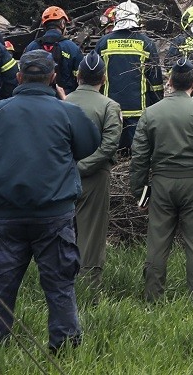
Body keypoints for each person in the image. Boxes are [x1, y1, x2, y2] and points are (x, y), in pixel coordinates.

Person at [0, 50, 101, 356]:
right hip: (55, 217)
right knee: (60, 287)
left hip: (9, 217)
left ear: (18, 77)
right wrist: (64, 106)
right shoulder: (66, 112)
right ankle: (65, 350)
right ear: (52, 78)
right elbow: (90, 144)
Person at [129, 61, 193, 305]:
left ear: (170, 82)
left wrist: (140, 192)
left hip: (162, 183)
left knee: (158, 242)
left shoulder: (151, 113)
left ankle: (152, 299)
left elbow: (139, 157)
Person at [66, 52, 122, 281]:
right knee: (92, 233)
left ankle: (61, 277)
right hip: (95, 177)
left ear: (78, 76)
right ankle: (89, 283)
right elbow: (110, 146)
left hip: (63, 177)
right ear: (104, 79)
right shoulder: (110, 106)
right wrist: (85, 166)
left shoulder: (64, 102)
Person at [97, 0, 162, 146]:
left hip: (110, 110)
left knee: (112, 150)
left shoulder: (103, 42)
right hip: (138, 111)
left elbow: (94, 76)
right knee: (136, 153)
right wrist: (157, 107)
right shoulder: (147, 43)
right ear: (137, 18)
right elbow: (155, 82)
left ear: (117, 18)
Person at [26, 7, 83, 94]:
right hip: (64, 100)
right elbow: (81, 78)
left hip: (36, 98)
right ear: (62, 23)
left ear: (44, 25)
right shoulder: (72, 48)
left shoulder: (32, 46)